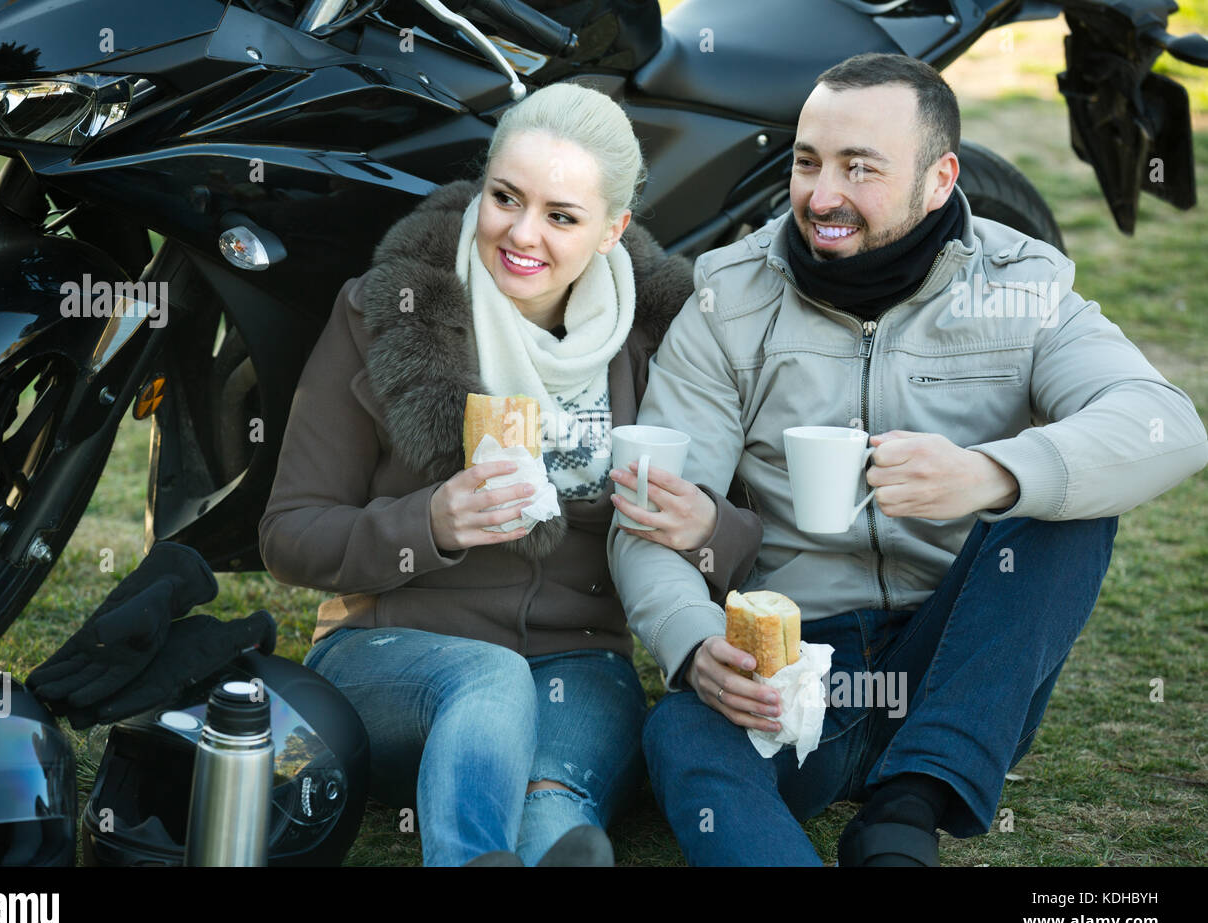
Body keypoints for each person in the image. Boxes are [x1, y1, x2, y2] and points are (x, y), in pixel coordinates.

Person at [608, 53, 1208, 866]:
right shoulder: (726, 298)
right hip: (796, 671)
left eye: (861, 169)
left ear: (939, 177)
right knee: (680, 731)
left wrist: (990, 475)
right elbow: (653, 511)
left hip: (957, 665)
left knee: (1064, 505)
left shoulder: (1022, 285)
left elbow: (1166, 424)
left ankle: (906, 808)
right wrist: (690, 643)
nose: (823, 197)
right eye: (808, 162)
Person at [258, 83, 750, 866]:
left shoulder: (664, 342)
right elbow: (288, 534)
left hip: (582, 660)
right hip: (391, 656)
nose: (522, 234)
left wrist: (709, 529)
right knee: (491, 681)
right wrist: (428, 525)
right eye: (505, 198)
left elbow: (750, 526)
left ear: (613, 229)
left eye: (562, 216)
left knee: (551, 792)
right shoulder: (383, 313)